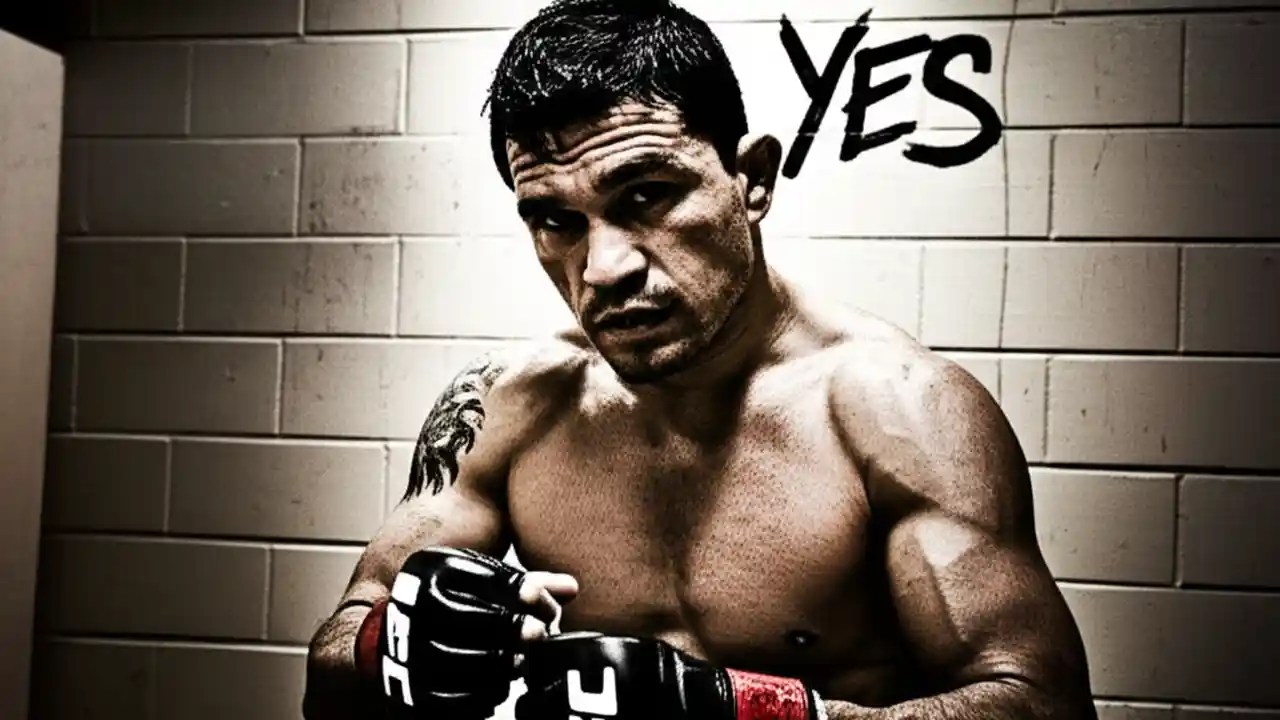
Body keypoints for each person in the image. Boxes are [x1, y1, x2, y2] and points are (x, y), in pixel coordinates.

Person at [303, 1, 1097, 718]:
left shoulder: (899, 412)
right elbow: (330, 673)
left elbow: (1042, 704)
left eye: (646, 195)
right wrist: (390, 647)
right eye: (556, 220)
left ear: (753, 180)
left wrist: (749, 712)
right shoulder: (509, 406)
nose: (604, 268)